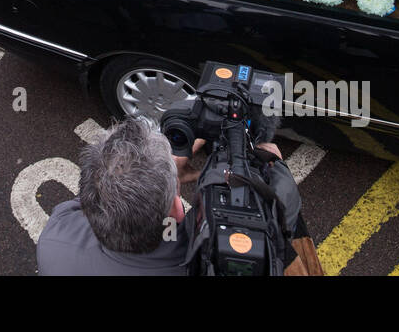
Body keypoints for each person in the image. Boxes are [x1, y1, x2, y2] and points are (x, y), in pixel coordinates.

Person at [36, 115, 305, 275]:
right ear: (178, 209)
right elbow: (279, 216)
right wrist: (273, 164)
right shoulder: (209, 256)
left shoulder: (54, 240)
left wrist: (160, 176)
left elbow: (97, 194)